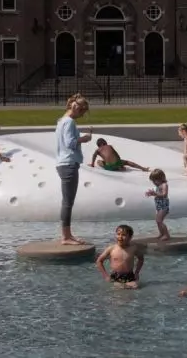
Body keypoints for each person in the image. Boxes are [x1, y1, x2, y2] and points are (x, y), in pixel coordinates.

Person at [55, 93, 93, 245]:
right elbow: (71, 143)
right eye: (82, 113)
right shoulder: (69, 122)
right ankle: (65, 237)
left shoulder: (61, 121)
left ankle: (68, 234)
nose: (81, 116)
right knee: (68, 202)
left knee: (67, 201)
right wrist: (86, 138)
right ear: (78, 109)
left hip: (63, 163)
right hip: (68, 164)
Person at [96, 224, 145, 289]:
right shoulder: (111, 248)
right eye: (118, 234)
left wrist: (136, 272)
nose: (120, 237)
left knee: (135, 288)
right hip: (116, 276)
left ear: (130, 237)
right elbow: (99, 261)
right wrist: (105, 276)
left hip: (130, 275)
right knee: (119, 292)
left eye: (123, 235)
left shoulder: (133, 248)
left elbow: (141, 259)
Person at [145, 169, 170, 241]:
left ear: (161, 178)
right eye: (152, 181)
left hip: (163, 206)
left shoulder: (164, 185)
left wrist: (155, 194)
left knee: (159, 221)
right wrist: (150, 194)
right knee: (157, 221)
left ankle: (166, 235)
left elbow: (164, 194)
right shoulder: (158, 186)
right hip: (159, 206)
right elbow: (157, 194)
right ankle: (161, 233)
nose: (154, 182)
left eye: (155, 180)